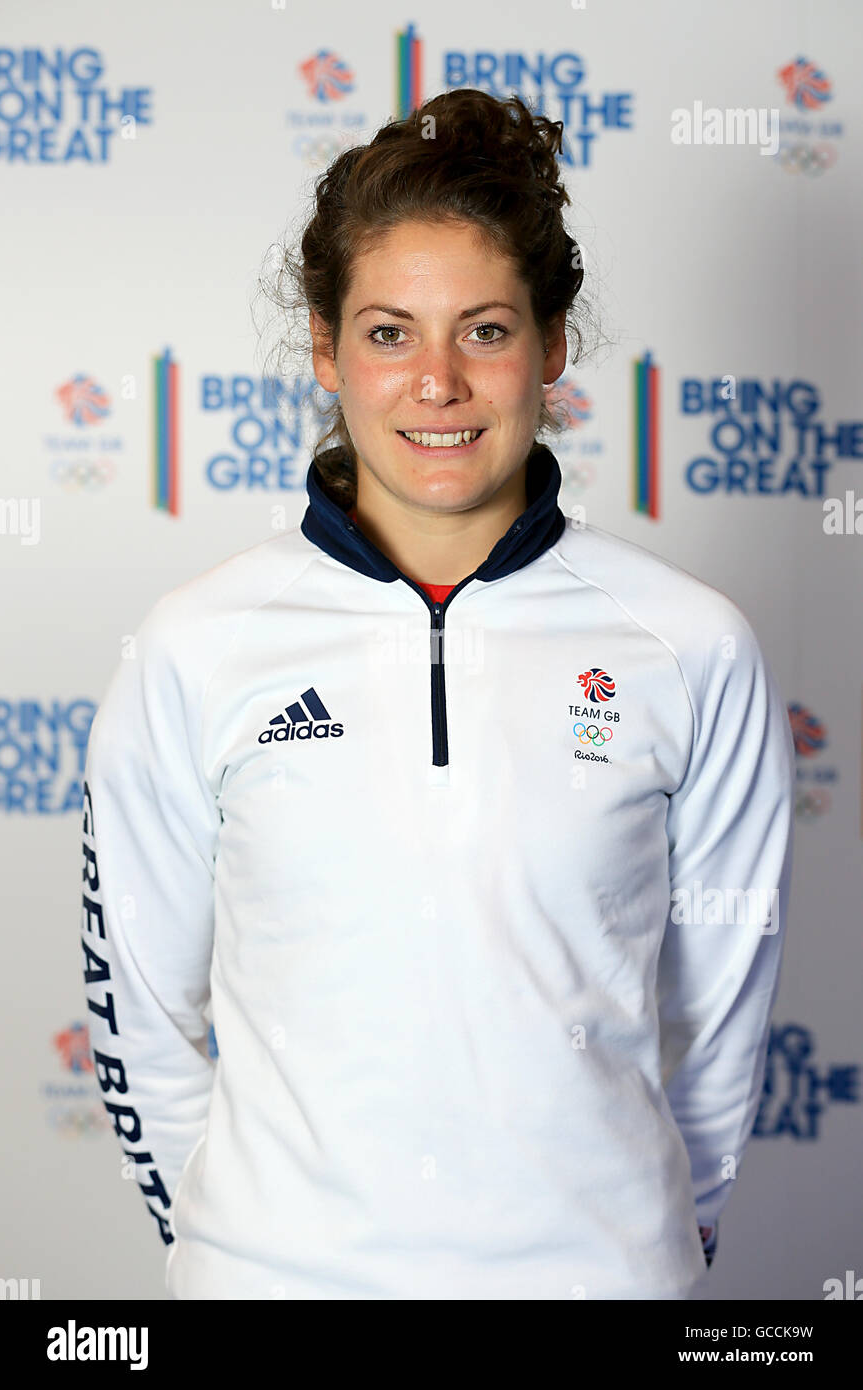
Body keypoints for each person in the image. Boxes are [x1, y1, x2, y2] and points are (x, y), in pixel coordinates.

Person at [80, 89, 795, 1300]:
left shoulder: (688, 645)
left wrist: (651, 1259)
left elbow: (721, 1029)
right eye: (389, 332)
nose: (436, 382)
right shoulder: (195, 648)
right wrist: (231, 1258)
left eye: (483, 330)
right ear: (324, 348)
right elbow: (135, 1013)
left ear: (551, 343)